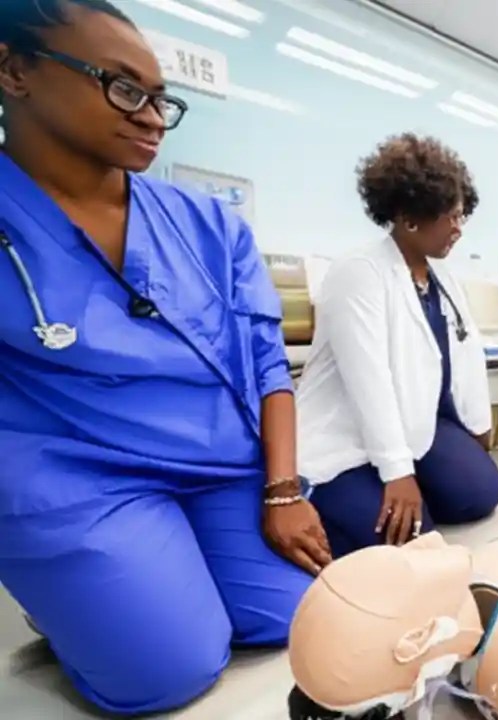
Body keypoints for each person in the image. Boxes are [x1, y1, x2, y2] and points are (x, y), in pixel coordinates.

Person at [0, 0, 323, 714]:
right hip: (74, 479)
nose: (151, 117)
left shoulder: (211, 225)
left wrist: (283, 490)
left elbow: (267, 364)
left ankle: (133, 590)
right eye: (122, 88)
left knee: (299, 618)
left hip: (221, 465)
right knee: (170, 672)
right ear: (14, 70)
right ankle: (78, 600)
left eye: (160, 99)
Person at [297, 134, 498, 558]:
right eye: (451, 217)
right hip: (345, 437)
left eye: (462, 215)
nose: (459, 229)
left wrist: (478, 426)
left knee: (481, 491)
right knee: (409, 539)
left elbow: (466, 353)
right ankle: (327, 496)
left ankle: (401, 482)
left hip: (416, 424)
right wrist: (396, 472)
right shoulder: (359, 272)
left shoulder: (443, 277)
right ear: (410, 220)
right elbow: (368, 380)